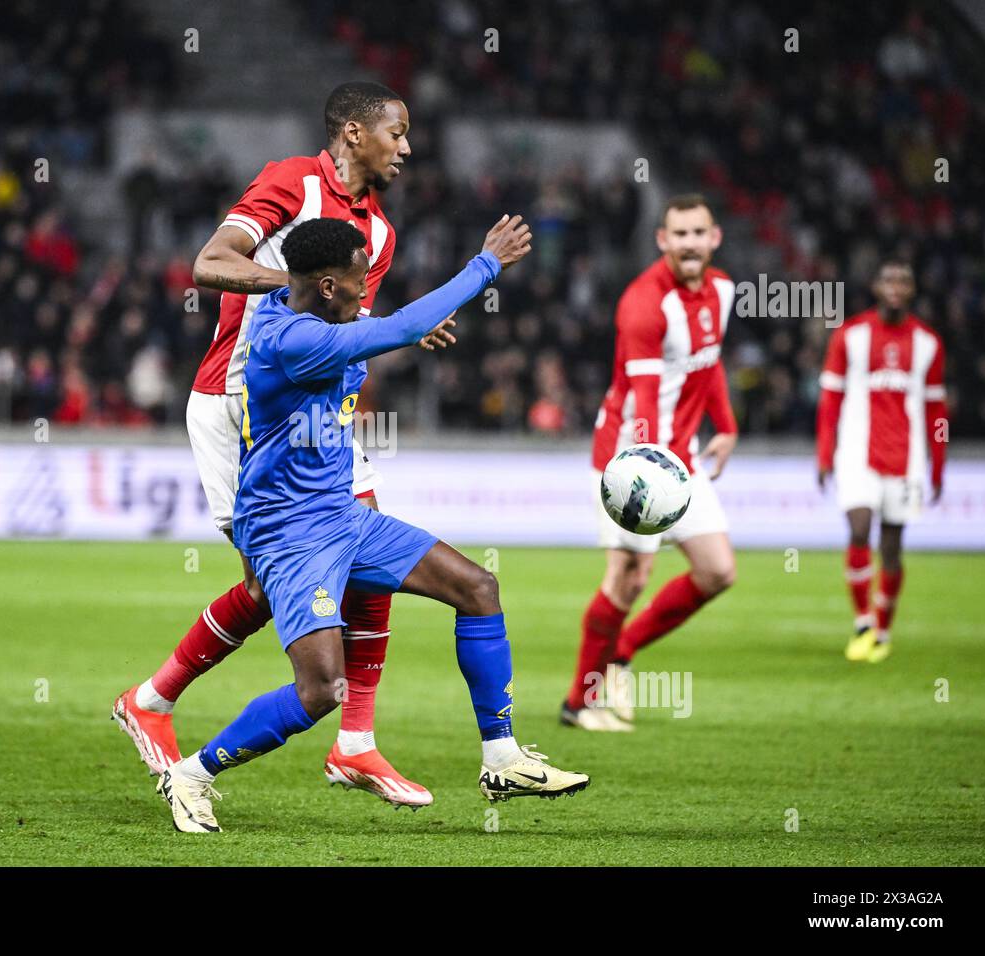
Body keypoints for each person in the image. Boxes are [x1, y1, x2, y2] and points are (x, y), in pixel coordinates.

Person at [158, 215, 589, 833]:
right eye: (361, 279)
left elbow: (384, 326)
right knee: (320, 691)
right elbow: (396, 325)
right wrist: (485, 263)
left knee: (478, 588)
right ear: (329, 284)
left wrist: (404, 332)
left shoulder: (325, 310)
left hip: (342, 514)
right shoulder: (290, 340)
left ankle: (502, 755)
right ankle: (192, 774)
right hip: (289, 530)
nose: (368, 289)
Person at [113, 82, 453, 807]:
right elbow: (211, 262)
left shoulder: (381, 234)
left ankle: (355, 743)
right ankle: (152, 697)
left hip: (317, 416)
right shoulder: (289, 181)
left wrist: (386, 331)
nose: (407, 147)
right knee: (268, 589)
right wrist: (294, 282)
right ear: (355, 132)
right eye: (396, 133)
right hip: (236, 405)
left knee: (364, 543)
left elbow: (345, 319)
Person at [562, 194, 738, 732]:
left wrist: (726, 426)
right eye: (678, 234)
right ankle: (581, 701)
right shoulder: (644, 303)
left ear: (714, 238)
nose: (689, 243)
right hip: (632, 454)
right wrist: (653, 476)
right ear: (662, 240)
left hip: (680, 455)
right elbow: (643, 399)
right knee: (629, 575)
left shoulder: (723, 291)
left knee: (717, 571)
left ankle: (621, 652)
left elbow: (708, 365)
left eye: (697, 233)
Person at [816, 259, 947, 663]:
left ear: (912, 290)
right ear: (875, 286)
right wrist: (825, 454)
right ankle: (863, 623)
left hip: (906, 459)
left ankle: (884, 631)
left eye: (903, 280)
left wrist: (937, 464)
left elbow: (937, 412)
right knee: (859, 530)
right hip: (856, 452)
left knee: (892, 548)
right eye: (888, 279)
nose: (895, 286)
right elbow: (830, 400)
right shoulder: (851, 335)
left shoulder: (928, 344)